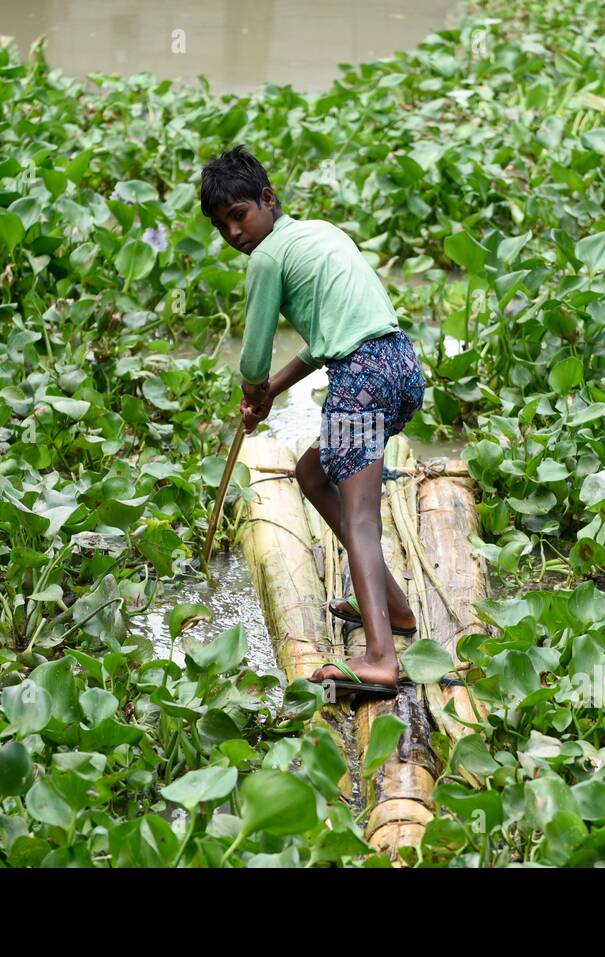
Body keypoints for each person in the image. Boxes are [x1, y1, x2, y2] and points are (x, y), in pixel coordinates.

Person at [199, 144, 426, 694]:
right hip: (398, 364)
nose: (234, 233)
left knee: (363, 519)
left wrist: (254, 387)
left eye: (239, 215)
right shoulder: (320, 232)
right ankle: (393, 609)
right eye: (221, 225)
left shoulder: (268, 257)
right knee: (312, 473)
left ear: (268, 200)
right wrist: (273, 392)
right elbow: (327, 342)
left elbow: (251, 357)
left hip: (362, 379)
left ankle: (379, 658)